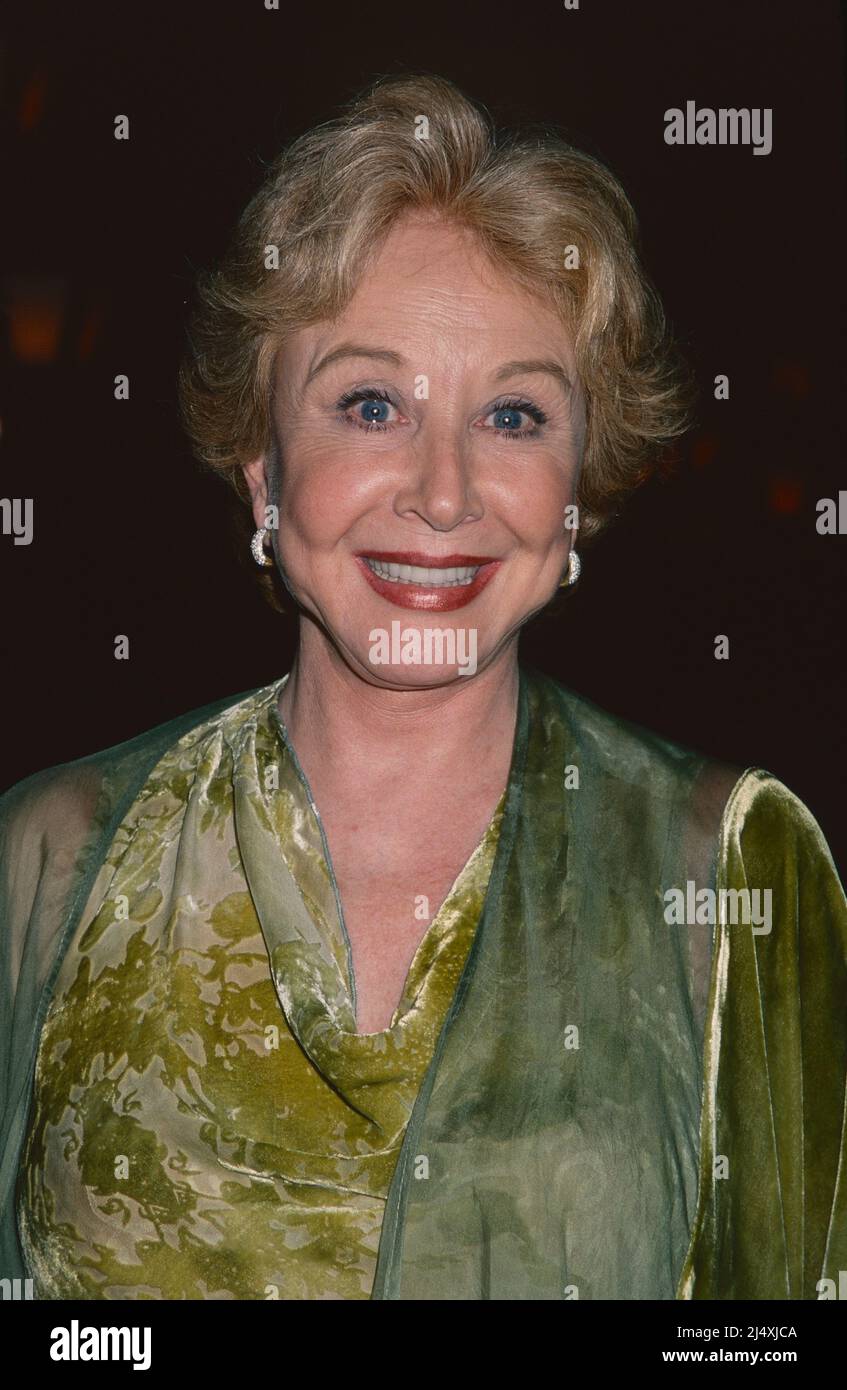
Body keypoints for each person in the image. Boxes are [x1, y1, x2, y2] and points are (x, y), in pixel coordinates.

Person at [1, 73, 845, 1302]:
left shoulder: (725, 866)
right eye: (370, 404)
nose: (443, 494)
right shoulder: (51, 856)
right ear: (262, 469)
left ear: (577, 493)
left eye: (512, 413)